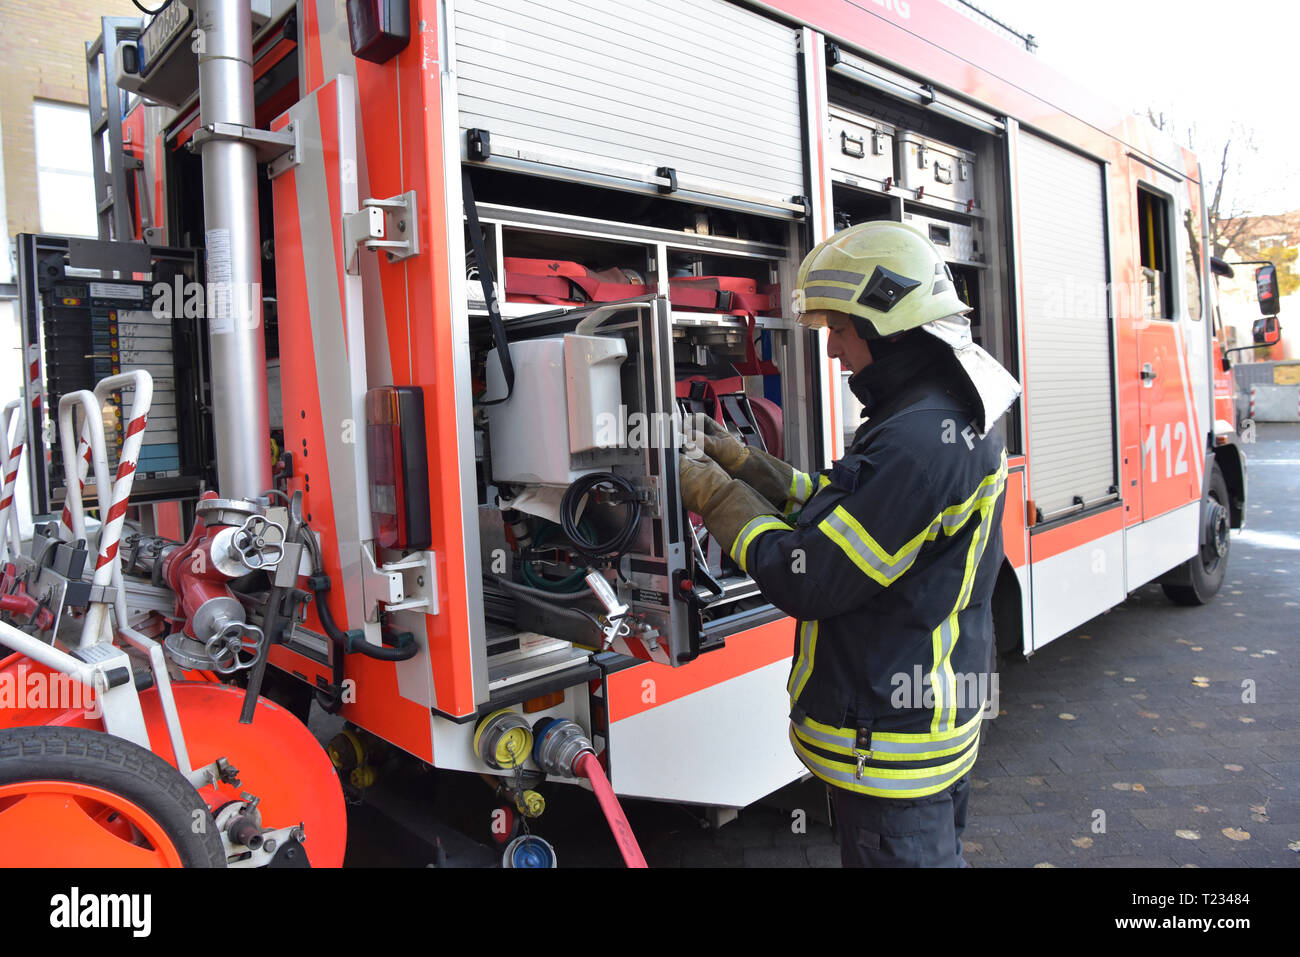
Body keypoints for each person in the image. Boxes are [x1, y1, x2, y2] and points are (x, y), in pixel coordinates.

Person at [679, 220, 1022, 867]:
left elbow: (810, 576)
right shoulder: (930, 410)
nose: (832, 350)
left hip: (894, 751)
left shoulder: (920, 439)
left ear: (887, 322)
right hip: (916, 732)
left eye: (839, 328)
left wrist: (714, 495)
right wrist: (746, 463)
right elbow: (847, 510)